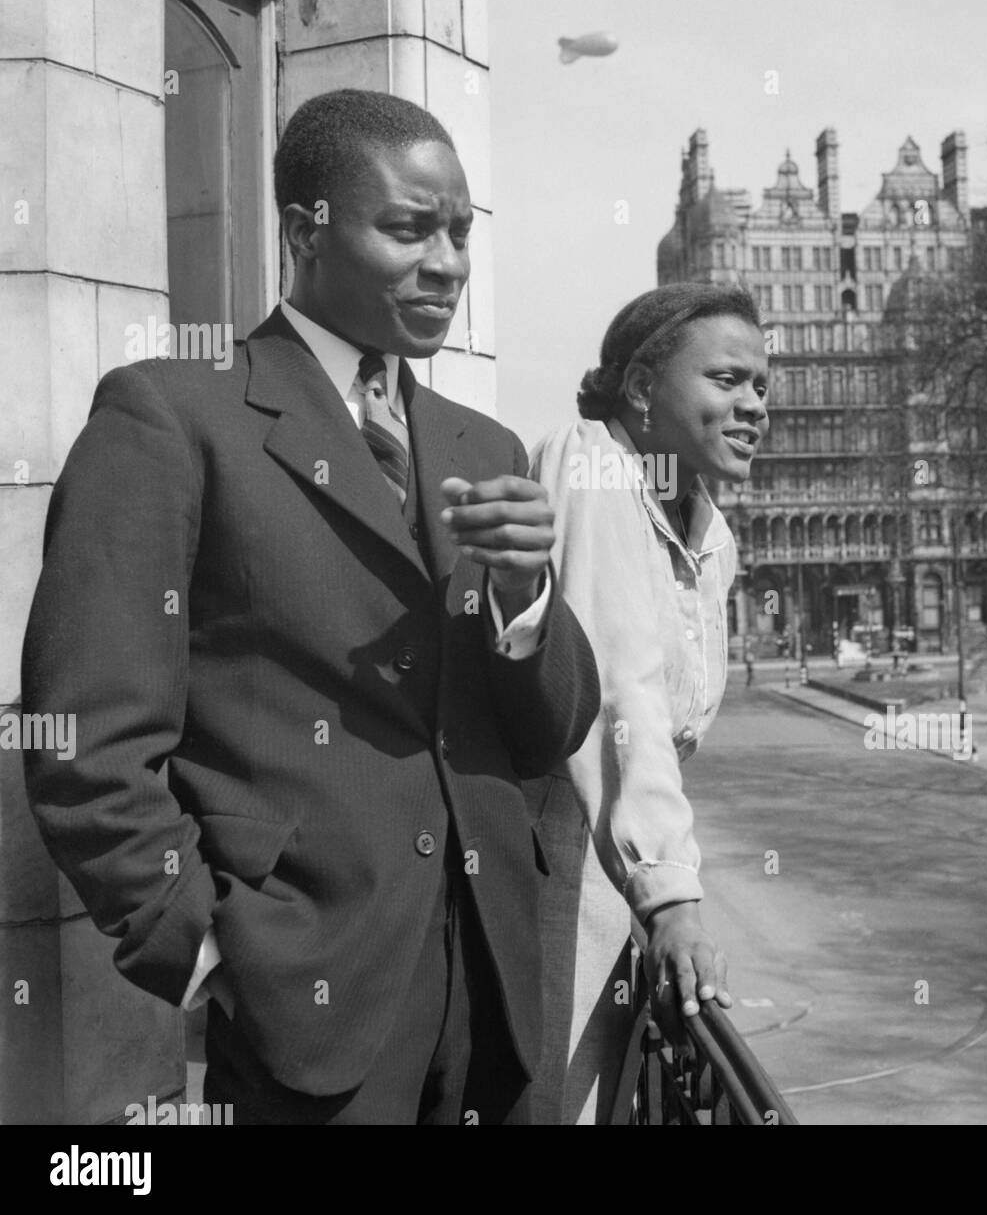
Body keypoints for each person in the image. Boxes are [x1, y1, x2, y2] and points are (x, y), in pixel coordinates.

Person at [21, 89, 600, 1125]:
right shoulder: (172, 413)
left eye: (461, 232)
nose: (448, 262)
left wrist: (527, 599)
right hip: (307, 1008)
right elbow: (84, 737)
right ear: (305, 231)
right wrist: (207, 951)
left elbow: (546, 734)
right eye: (410, 228)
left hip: (495, 995)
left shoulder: (484, 449)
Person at [524, 283, 769, 1123]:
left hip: (617, 874)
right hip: (545, 868)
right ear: (639, 389)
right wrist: (673, 900)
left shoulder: (711, 535)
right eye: (727, 380)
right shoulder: (589, 462)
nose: (753, 406)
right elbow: (616, 695)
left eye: (762, 387)